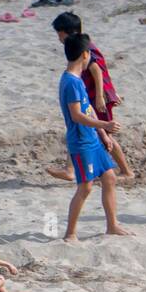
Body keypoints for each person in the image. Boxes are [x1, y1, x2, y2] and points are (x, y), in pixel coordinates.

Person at [60, 33, 132, 242]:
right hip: (80, 142)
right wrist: (105, 125)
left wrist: (102, 134)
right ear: (84, 55)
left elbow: (88, 107)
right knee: (86, 187)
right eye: (90, 54)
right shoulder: (70, 82)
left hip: (92, 138)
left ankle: (112, 225)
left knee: (109, 178)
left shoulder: (78, 79)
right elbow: (76, 115)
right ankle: (70, 233)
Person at [45, 12, 134, 181]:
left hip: (95, 98)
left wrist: (101, 96)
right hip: (88, 95)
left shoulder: (83, 48)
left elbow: (97, 70)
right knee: (79, 131)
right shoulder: (79, 47)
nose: (58, 38)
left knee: (105, 134)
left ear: (68, 32)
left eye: (59, 34)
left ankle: (126, 171)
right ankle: (70, 170)